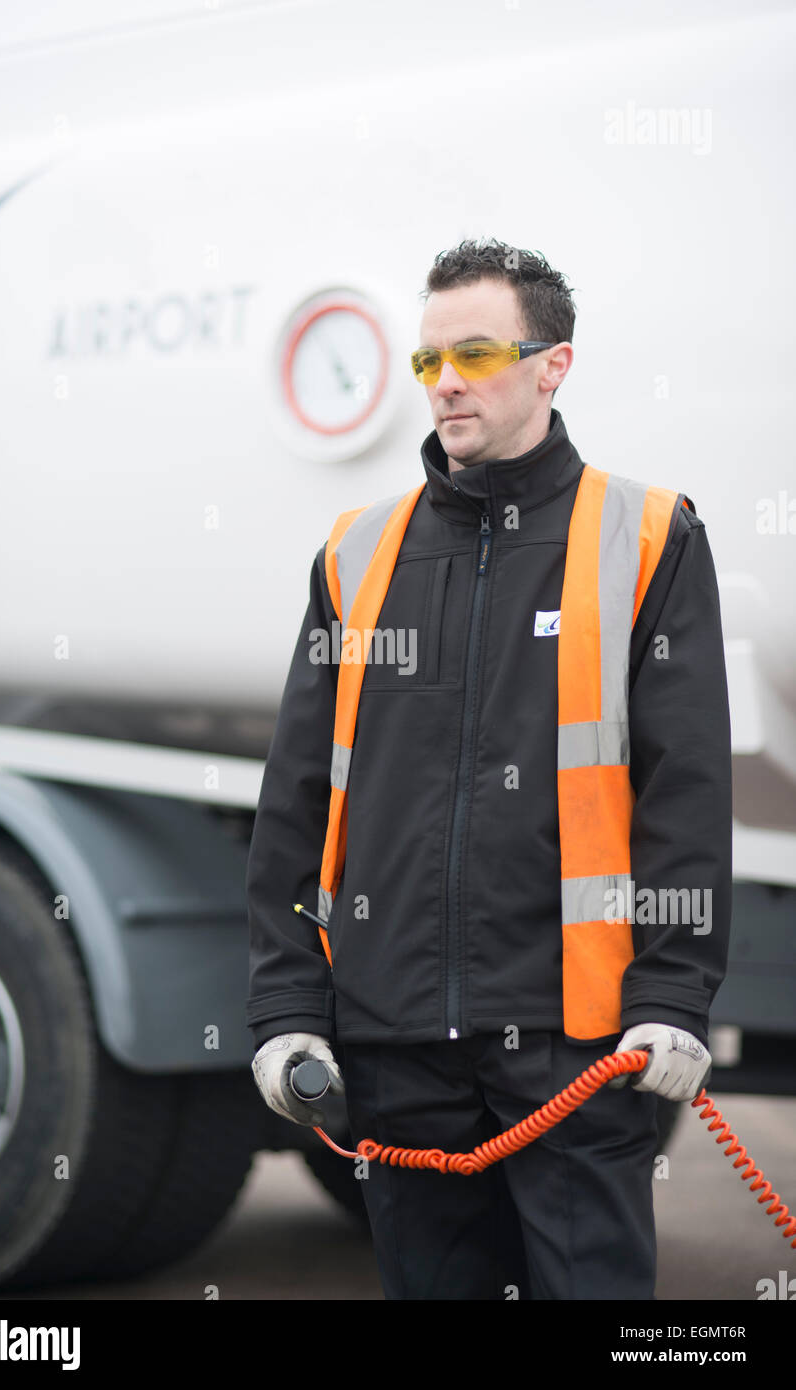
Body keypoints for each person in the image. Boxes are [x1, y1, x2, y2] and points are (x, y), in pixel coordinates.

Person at [245, 239, 732, 1300]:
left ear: (553, 364)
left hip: (579, 1045)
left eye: (473, 352)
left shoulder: (647, 535)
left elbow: (685, 790)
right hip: (395, 1048)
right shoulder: (355, 554)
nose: (445, 382)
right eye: (426, 361)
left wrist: (676, 992)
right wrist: (287, 1008)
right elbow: (294, 804)